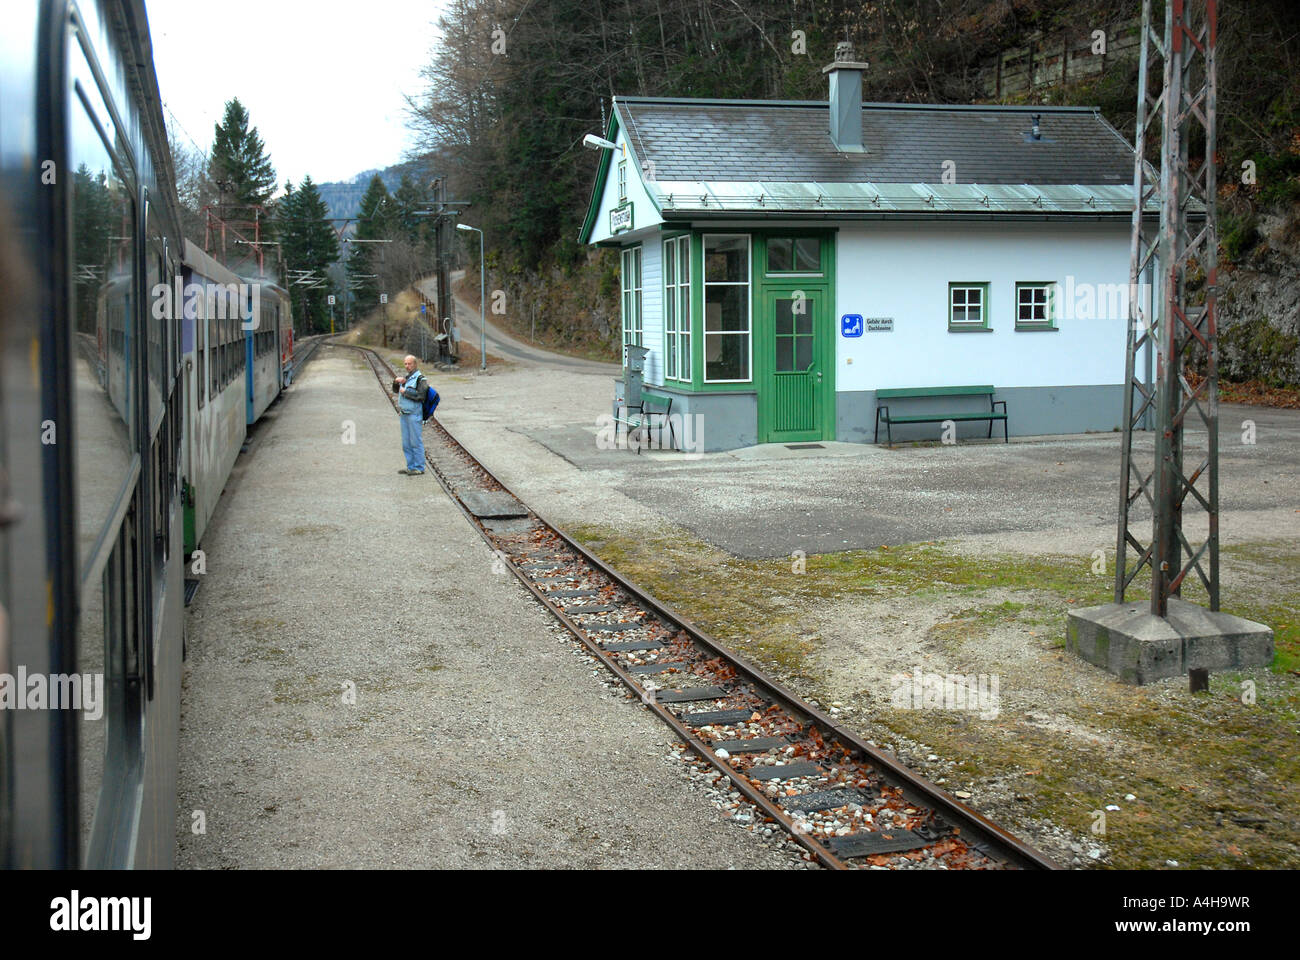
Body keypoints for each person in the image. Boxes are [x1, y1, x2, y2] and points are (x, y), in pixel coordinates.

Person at [392, 354, 429, 475]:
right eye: (405, 364)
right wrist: (396, 382)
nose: (407, 366)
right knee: (406, 443)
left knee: (415, 442)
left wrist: (406, 392)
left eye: (409, 364)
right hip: (404, 414)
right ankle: (411, 466)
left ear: (415, 364)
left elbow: (421, 396)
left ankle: (419, 467)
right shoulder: (407, 378)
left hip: (414, 415)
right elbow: (395, 390)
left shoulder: (420, 379)